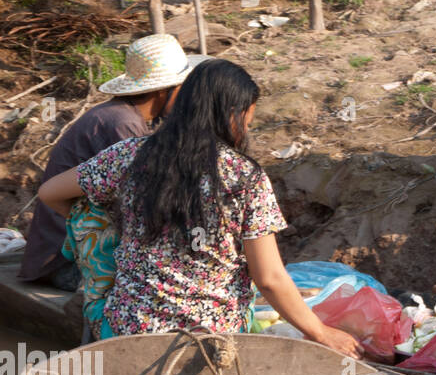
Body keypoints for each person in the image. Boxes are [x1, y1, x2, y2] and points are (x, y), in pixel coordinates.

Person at [36, 59, 361, 358]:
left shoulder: (128, 156)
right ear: (232, 113)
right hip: (213, 338)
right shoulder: (244, 177)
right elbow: (270, 279)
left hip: (128, 329)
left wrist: (106, 230)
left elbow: (50, 192)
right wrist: (321, 332)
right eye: (247, 120)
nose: (246, 130)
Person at [19, 33, 205, 292]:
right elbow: (142, 203)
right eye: (183, 89)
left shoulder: (121, 117)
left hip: (66, 252)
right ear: (164, 91)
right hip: (64, 262)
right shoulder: (124, 125)